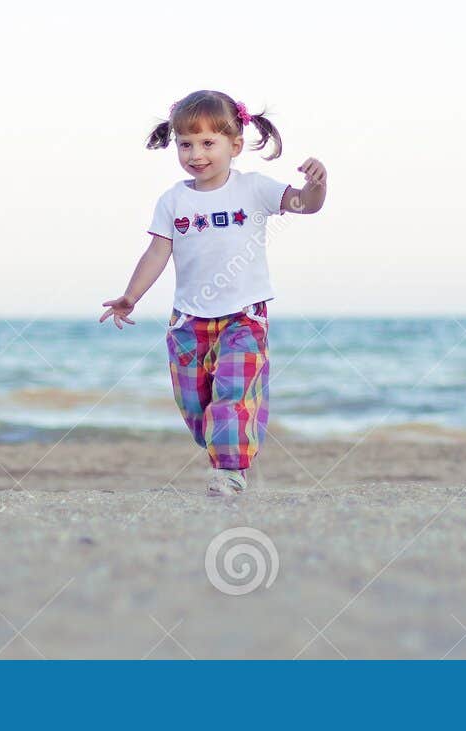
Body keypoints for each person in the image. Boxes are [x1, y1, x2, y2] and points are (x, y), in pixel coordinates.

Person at [100, 90, 326, 496]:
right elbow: (157, 251)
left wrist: (316, 185)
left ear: (234, 145)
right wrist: (130, 296)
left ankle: (229, 471)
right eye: (185, 144)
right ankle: (225, 447)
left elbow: (303, 204)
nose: (195, 153)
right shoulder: (173, 200)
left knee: (233, 392)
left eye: (208, 143)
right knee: (195, 406)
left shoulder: (254, 189)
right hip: (187, 321)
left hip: (244, 316)